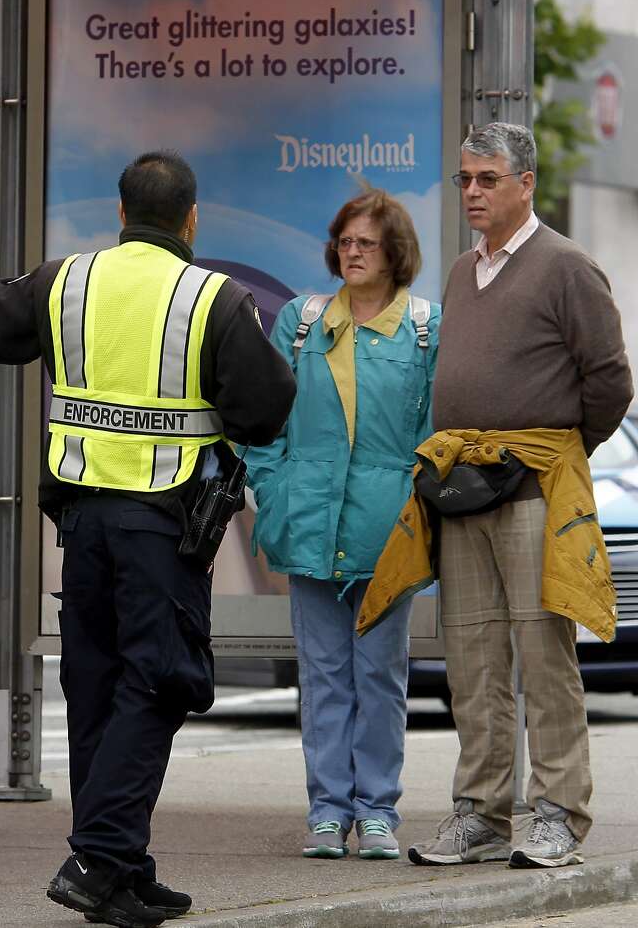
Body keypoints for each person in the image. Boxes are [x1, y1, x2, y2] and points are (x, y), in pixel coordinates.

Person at [0, 150, 295, 928]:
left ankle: (120, 875)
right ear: (191, 219)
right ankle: (100, 854)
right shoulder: (211, 297)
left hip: (82, 526)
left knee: (100, 688)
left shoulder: (66, 281)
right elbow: (267, 408)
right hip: (162, 527)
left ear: (120, 214)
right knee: (166, 680)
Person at [362, 122, 633, 869]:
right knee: (472, 660)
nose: (473, 192)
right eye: (465, 180)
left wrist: (550, 457)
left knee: (544, 657)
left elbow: (609, 381)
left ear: (526, 184)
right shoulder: (460, 271)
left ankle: (558, 813)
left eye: (487, 179)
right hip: (462, 489)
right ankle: (481, 815)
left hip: (532, 487)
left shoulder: (567, 267)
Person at [243, 189, 439, 862]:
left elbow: (434, 436)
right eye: (345, 241)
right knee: (324, 676)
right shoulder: (301, 319)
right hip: (308, 524)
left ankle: (377, 812)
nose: (352, 253)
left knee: (379, 676)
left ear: (396, 253)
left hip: (389, 534)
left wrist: (418, 510)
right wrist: (272, 490)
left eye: (367, 243)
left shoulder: (423, 327)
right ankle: (327, 812)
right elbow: (262, 420)